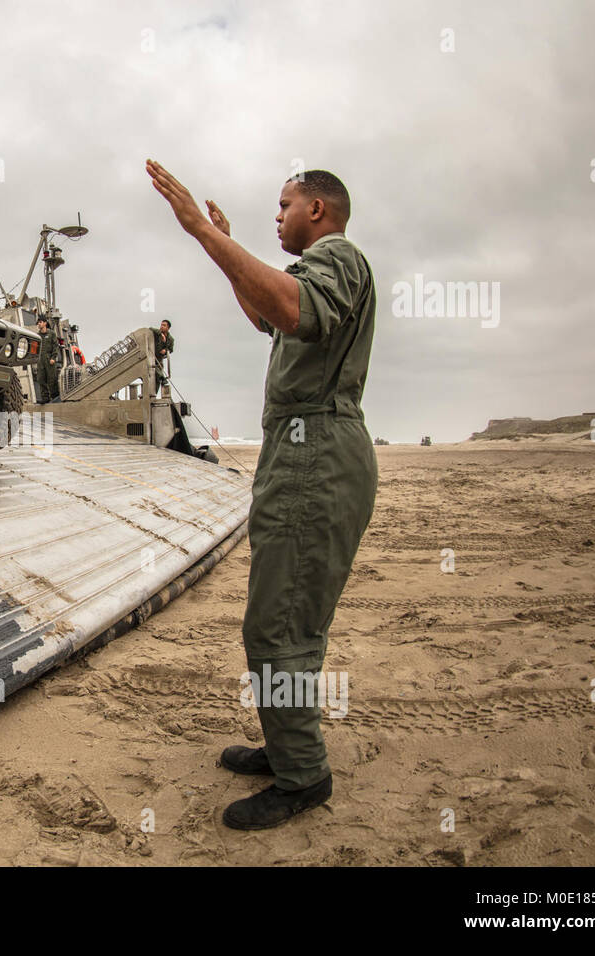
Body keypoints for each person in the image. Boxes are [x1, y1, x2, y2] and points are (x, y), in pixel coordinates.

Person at [147, 159, 378, 830]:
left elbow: (291, 307)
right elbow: (267, 313)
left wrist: (200, 231)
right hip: (301, 452)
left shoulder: (339, 257)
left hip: (319, 458)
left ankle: (302, 775)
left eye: (283, 206)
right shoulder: (315, 271)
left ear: (317, 210)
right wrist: (228, 256)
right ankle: (285, 746)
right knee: (280, 616)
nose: (276, 217)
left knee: (279, 626)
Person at [34, 316, 61, 403]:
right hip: (40, 361)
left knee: (52, 379)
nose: (39, 324)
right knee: (41, 379)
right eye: (38, 322)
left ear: (45, 323)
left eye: (40, 322)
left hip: (49, 360)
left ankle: (55, 397)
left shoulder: (51, 334)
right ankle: (45, 398)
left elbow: (55, 346)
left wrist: (53, 358)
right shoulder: (37, 336)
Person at [153, 318, 175, 393]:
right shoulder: (157, 333)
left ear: (168, 328)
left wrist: (165, 351)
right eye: (161, 325)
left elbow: (171, 349)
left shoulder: (171, 339)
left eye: (164, 325)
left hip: (159, 359)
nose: (162, 326)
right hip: (151, 356)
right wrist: (161, 334)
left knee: (158, 378)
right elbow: (150, 329)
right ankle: (163, 378)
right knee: (154, 368)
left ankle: (154, 394)